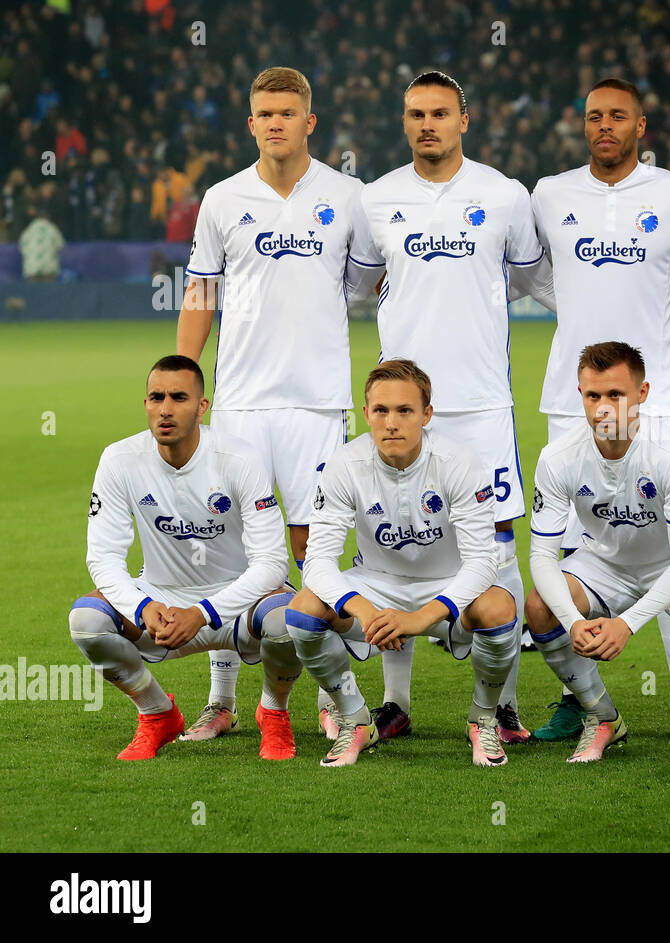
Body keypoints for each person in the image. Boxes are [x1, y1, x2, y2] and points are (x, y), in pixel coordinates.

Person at [346, 70, 548, 745]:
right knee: (389, 543)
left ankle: (501, 703)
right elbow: (360, 281)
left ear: (465, 118)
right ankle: (395, 702)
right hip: (401, 407)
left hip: (482, 406)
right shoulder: (374, 200)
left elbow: (521, 275)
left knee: (497, 550)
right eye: (414, 114)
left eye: (438, 113)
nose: (425, 124)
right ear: (403, 122)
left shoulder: (504, 195)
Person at [178, 67, 367, 741]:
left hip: (318, 405)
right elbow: (200, 293)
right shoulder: (223, 199)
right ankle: (223, 698)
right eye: (265, 113)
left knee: (312, 549)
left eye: (289, 112)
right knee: (230, 552)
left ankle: (311, 693)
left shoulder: (348, 198)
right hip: (240, 405)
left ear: (309, 122)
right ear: (251, 123)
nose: (276, 122)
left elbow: (372, 286)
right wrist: (187, 379)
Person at [530, 78, 670, 743]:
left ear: (642, 124)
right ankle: (584, 698)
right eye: (593, 116)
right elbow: (528, 273)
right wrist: (582, 307)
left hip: (657, 400)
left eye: (618, 117)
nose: (604, 125)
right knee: (578, 555)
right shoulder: (550, 193)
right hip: (567, 398)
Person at [69, 356, 303, 761]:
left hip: (238, 605)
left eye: (179, 397)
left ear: (202, 407)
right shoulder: (119, 460)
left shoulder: (240, 458)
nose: (165, 408)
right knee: (86, 621)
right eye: (156, 397)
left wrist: (203, 611)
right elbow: (103, 557)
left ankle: (273, 711)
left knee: (288, 621)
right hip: (161, 600)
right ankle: (157, 714)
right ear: (145, 403)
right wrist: (142, 606)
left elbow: (271, 563)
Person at [285, 360, 517, 768]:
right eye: (381, 411)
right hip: (378, 583)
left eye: (404, 411)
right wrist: (365, 609)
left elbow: (483, 563)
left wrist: (418, 619)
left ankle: (483, 719)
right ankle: (355, 718)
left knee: (499, 606)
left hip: (448, 585)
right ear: (366, 415)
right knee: (303, 610)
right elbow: (317, 562)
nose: (391, 423)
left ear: (426, 415)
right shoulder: (343, 464)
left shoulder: (459, 462)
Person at [527, 342, 670, 764]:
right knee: (541, 607)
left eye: (615, 395)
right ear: (579, 393)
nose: (603, 408)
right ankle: (600, 716)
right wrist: (573, 620)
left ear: (642, 393)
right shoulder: (557, 458)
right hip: (605, 562)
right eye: (592, 395)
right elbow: (543, 557)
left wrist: (626, 624)